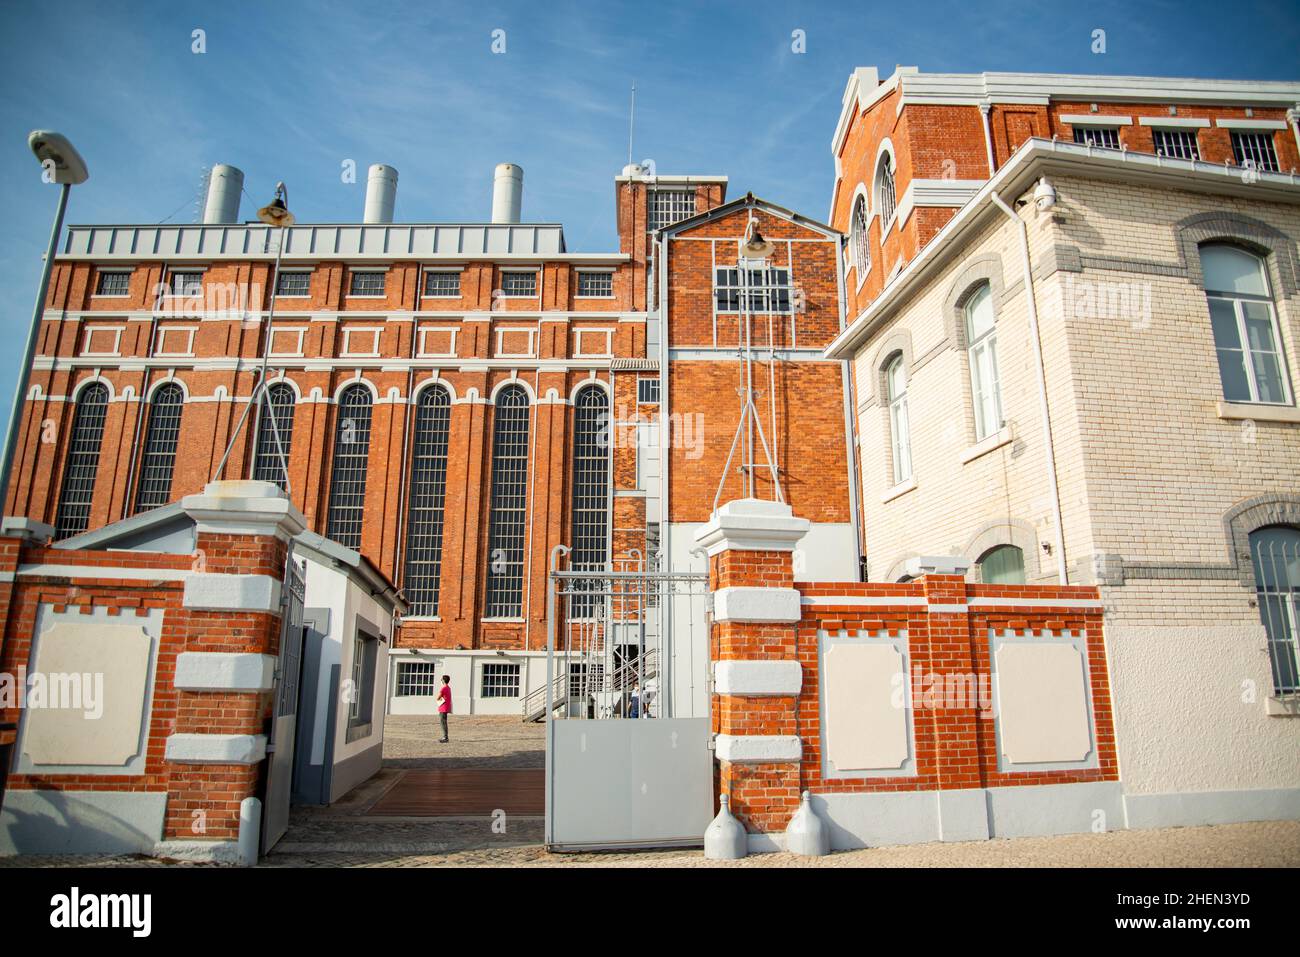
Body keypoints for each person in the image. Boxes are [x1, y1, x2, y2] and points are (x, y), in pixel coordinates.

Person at [437, 674, 452, 742]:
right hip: (446, 707)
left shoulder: (443, 688)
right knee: (444, 722)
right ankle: (445, 736)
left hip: (443, 707)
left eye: (441, 679)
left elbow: (438, 697)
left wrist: (438, 698)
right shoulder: (448, 688)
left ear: (443, 680)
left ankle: (445, 737)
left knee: (443, 722)